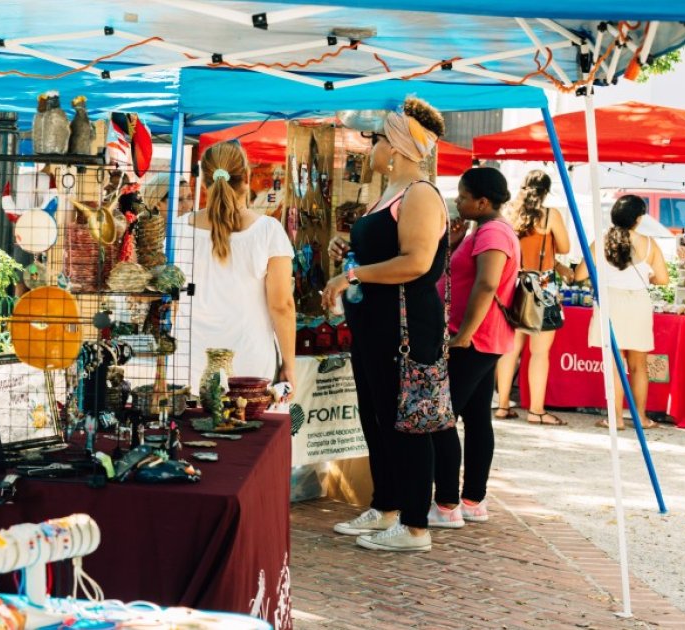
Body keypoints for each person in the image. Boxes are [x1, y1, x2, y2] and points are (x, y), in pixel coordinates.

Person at [321, 96, 447, 552]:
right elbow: (384, 255)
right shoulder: (389, 195)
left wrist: (350, 274)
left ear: (394, 145)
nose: (367, 148)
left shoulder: (421, 194)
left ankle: (415, 526)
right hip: (376, 325)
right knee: (378, 418)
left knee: (407, 421)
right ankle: (387, 504)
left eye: (374, 140)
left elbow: (415, 262)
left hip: (406, 327)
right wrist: (348, 252)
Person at [428, 168, 519, 529]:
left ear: (483, 202)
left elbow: (486, 284)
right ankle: (472, 500)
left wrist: (464, 333)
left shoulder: (494, 232)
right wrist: (453, 244)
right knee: (476, 418)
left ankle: (448, 503)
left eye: (463, 197)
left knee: (440, 417)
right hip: (483, 339)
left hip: (475, 340)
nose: (458, 202)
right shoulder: (483, 230)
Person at [186, 140, 298, 398]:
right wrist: (290, 365)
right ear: (246, 178)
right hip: (251, 366)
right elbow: (282, 305)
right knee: (254, 434)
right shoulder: (268, 231)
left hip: (191, 362)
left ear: (203, 182)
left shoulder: (180, 229)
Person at [573, 195, 668, 429]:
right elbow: (664, 279)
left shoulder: (602, 240)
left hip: (610, 302)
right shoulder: (649, 243)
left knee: (614, 364)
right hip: (638, 304)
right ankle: (641, 417)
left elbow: (580, 275)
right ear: (638, 218)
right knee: (638, 365)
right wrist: (649, 277)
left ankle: (615, 419)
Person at [493, 171, 571, 425]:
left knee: (510, 350)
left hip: (514, 283)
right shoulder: (551, 215)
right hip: (543, 287)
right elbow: (566, 247)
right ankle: (536, 410)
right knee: (539, 353)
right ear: (546, 191)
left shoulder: (510, 214)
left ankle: (503, 405)